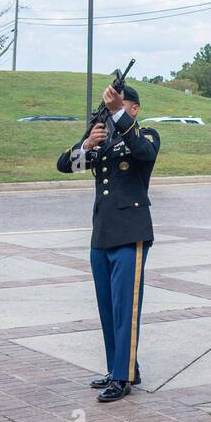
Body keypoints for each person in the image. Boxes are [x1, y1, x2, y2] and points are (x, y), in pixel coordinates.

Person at [56, 84, 159, 402]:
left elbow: (144, 153)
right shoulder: (102, 142)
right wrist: (86, 143)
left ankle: (123, 376)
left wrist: (117, 112)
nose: (112, 112)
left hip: (130, 232)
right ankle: (121, 366)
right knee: (107, 307)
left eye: (120, 106)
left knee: (124, 307)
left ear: (134, 109)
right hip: (101, 232)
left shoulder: (145, 135)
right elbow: (65, 165)